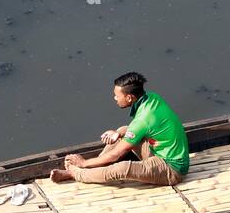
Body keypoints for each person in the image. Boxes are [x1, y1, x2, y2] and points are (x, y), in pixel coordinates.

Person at [49, 72, 190, 185]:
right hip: (158, 151)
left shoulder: (143, 120)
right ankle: (91, 169)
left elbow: (115, 155)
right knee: (123, 130)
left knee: (122, 168)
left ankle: (76, 173)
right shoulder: (152, 97)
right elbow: (137, 130)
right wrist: (118, 133)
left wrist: (83, 162)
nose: (115, 98)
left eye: (117, 96)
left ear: (129, 98)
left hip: (171, 169)